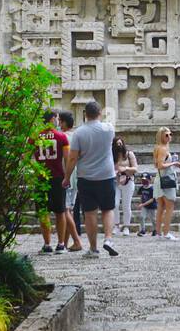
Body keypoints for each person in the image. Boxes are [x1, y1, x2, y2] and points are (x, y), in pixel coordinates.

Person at [63, 100, 120, 258]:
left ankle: (93, 248)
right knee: (108, 209)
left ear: (85, 114)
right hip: (106, 175)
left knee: (90, 213)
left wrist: (67, 177)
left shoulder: (79, 133)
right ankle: (108, 238)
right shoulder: (109, 129)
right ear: (99, 113)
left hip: (86, 176)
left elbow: (72, 158)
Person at [33, 110, 69, 255]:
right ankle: (61, 244)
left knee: (43, 210)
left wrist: (36, 169)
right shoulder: (61, 137)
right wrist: (68, 176)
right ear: (53, 119)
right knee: (60, 211)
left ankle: (47, 244)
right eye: (56, 119)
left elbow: (25, 155)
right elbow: (66, 158)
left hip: (42, 177)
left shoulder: (35, 136)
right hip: (58, 176)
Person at [57, 111, 84, 251]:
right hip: (76, 175)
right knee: (69, 210)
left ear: (64, 122)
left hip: (66, 175)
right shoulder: (76, 135)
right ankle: (66, 242)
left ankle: (77, 241)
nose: (58, 123)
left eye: (60, 121)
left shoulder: (63, 137)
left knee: (65, 209)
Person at [153, 127, 180, 239]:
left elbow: (156, 165)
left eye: (170, 134)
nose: (169, 136)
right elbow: (160, 165)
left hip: (160, 178)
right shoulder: (163, 149)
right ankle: (166, 233)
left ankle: (159, 233)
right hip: (166, 179)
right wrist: (174, 163)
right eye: (166, 135)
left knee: (160, 207)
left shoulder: (159, 148)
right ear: (161, 136)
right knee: (169, 207)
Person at [113, 135, 139, 235]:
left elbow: (135, 168)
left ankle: (126, 226)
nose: (119, 145)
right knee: (115, 204)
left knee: (126, 205)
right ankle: (116, 225)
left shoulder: (129, 154)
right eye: (117, 144)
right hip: (116, 182)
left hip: (128, 182)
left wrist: (125, 169)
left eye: (120, 143)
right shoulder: (112, 156)